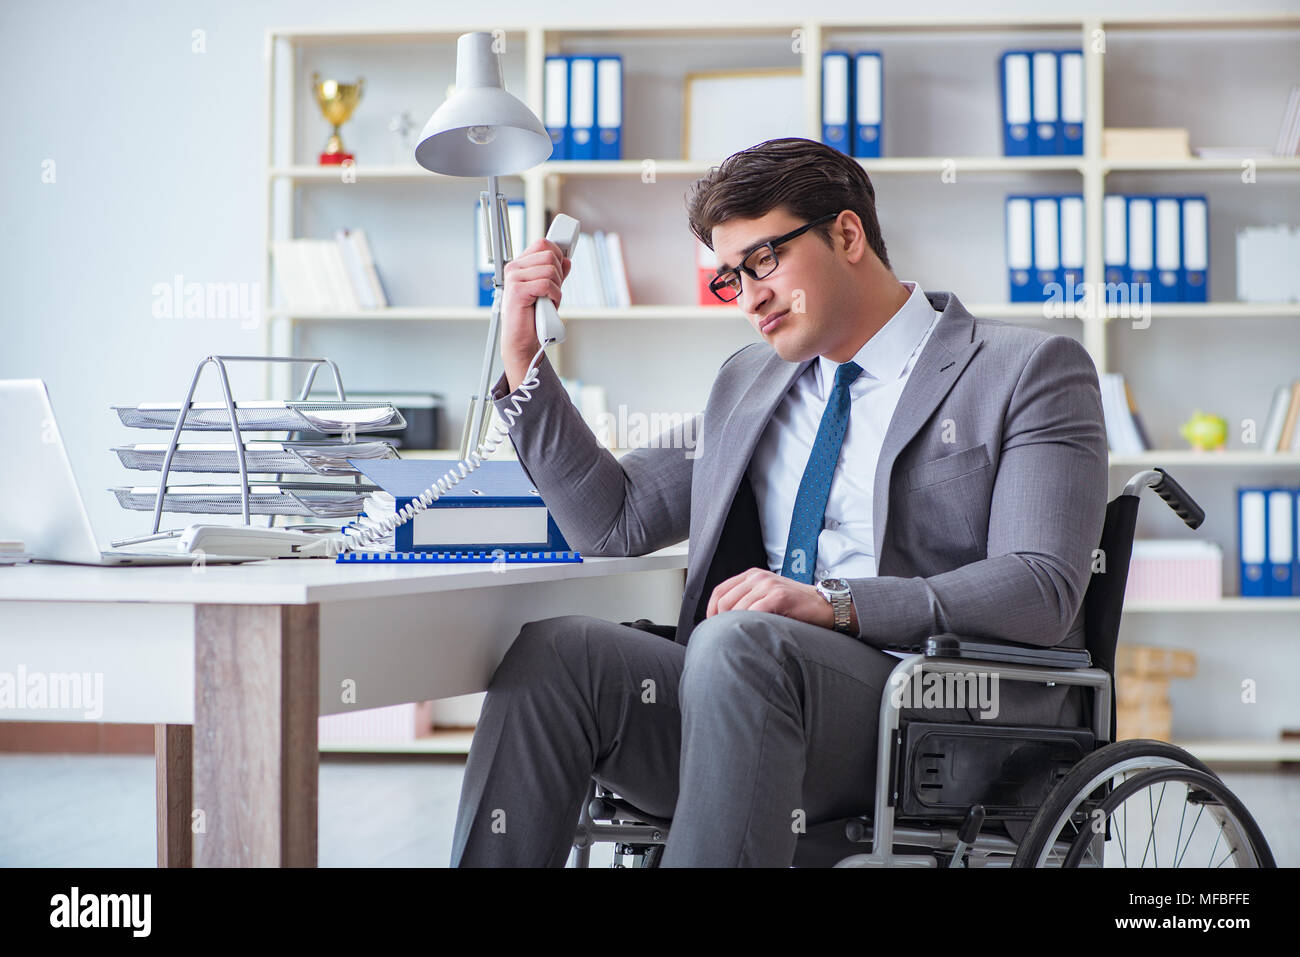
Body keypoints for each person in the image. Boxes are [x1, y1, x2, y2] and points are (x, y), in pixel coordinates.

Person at [450, 136, 1108, 867]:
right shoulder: (752, 382)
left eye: (764, 259)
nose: (750, 295)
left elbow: (1042, 584)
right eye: (731, 276)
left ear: (847, 234)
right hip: (745, 701)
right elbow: (613, 518)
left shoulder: (1026, 370)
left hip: (933, 720)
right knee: (555, 653)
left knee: (739, 641)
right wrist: (522, 355)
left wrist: (836, 601)